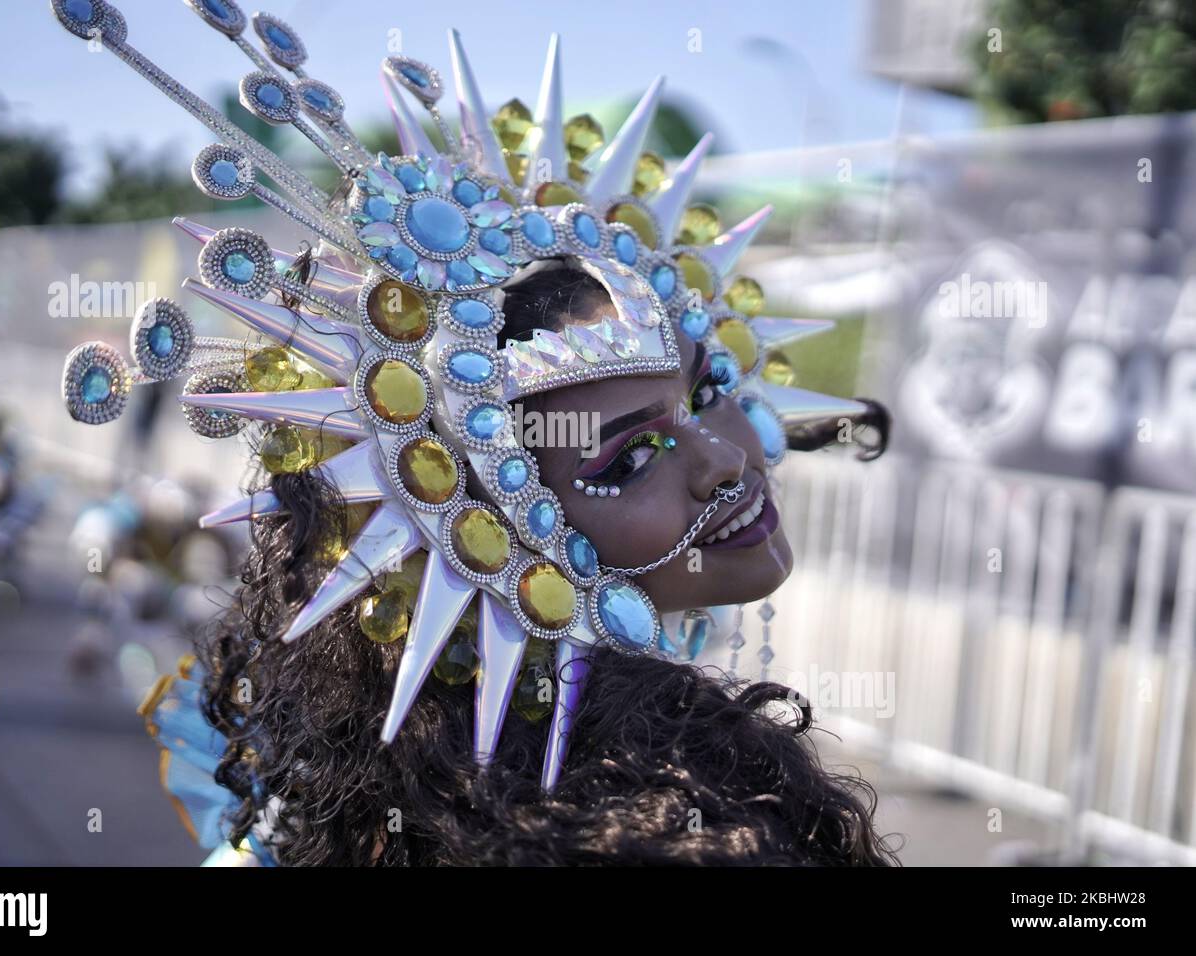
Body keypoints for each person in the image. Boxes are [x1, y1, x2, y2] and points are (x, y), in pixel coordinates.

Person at [52, 0, 898, 866]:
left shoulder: (441, 802)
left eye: (709, 386)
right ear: (501, 546)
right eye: (630, 455)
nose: (721, 458)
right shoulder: (675, 836)